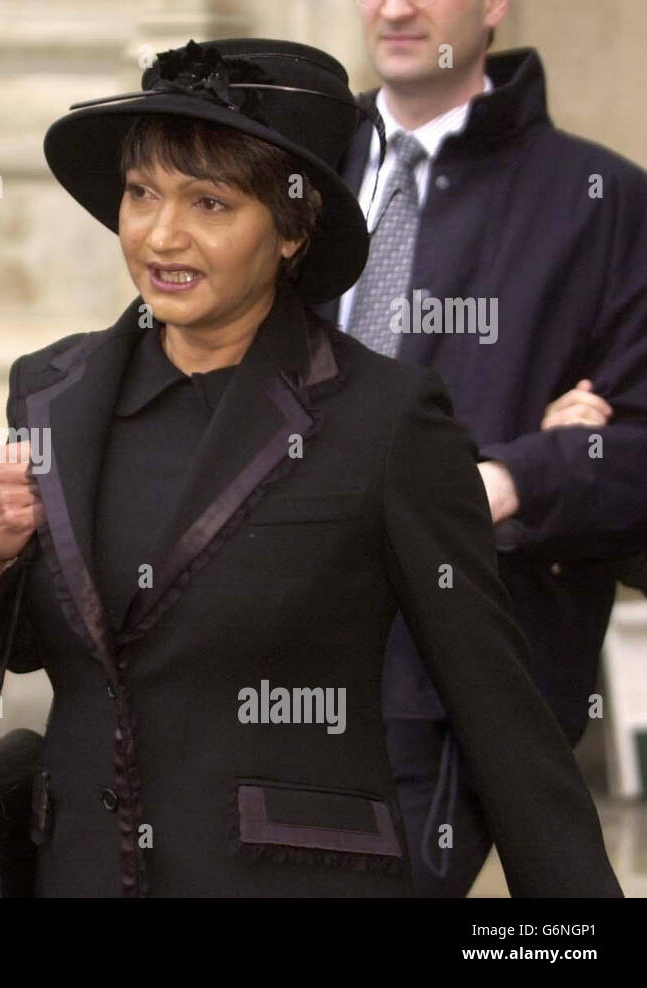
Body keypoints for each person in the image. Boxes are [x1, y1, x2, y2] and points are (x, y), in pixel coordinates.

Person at [0, 38, 622, 897]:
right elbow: (19, 641)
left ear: (294, 231)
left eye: (211, 203)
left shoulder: (385, 421)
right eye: (142, 193)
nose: (161, 233)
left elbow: (498, 715)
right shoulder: (50, 391)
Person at [316, 0, 647, 895]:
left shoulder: (606, 202)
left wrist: (513, 476)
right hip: (257, 654)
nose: (393, 7)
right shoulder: (292, 171)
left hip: (442, 679)